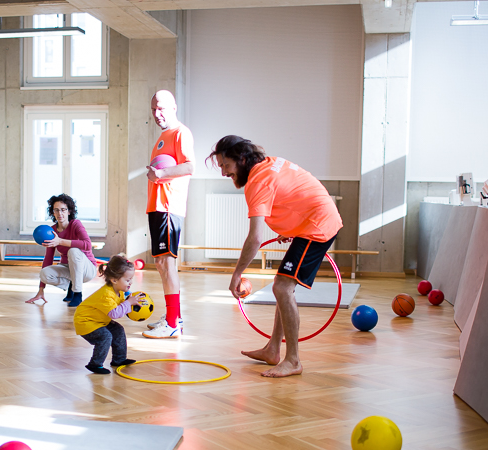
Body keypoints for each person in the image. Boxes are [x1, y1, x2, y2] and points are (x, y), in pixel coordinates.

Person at [208, 135, 343, 378]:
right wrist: (293, 227)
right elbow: (296, 194)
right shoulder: (268, 163)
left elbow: (255, 238)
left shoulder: (257, 182)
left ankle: (293, 361)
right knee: (282, 285)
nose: (224, 173)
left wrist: (237, 273)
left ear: (242, 159)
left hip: (318, 226)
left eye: (226, 165)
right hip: (313, 222)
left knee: (282, 287)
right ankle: (273, 350)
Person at [142, 90, 195, 339]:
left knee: (166, 262)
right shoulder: (163, 136)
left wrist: (160, 174)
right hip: (157, 206)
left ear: (173, 107)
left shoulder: (181, 132)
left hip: (168, 206)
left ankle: (173, 323)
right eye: (153, 109)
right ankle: (174, 317)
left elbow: (190, 166)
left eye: (161, 108)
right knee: (161, 263)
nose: (157, 113)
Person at [26, 194, 98, 307]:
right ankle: (71, 284)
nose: (60, 213)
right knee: (44, 273)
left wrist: (60, 241)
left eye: (63, 210)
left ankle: (77, 294)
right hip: (68, 268)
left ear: (69, 211)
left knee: (73, 251)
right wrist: (41, 290)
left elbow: (87, 245)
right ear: (53, 213)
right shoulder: (52, 231)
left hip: (87, 270)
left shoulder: (76, 224)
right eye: (56, 210)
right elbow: (48, 258)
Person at [73, 256, 141, 374]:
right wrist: (128, 303)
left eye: (131, 279)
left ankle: (119, 359)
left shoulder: (119, 291)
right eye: (128, 280)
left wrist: (129, 302)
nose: (131, 282)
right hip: (86, 322)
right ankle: (95, 364)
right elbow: (115, 313)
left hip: (99, 321)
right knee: (105, 336)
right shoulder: (106, 294)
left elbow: (121, 307)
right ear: (114, 280)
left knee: (118, 330)